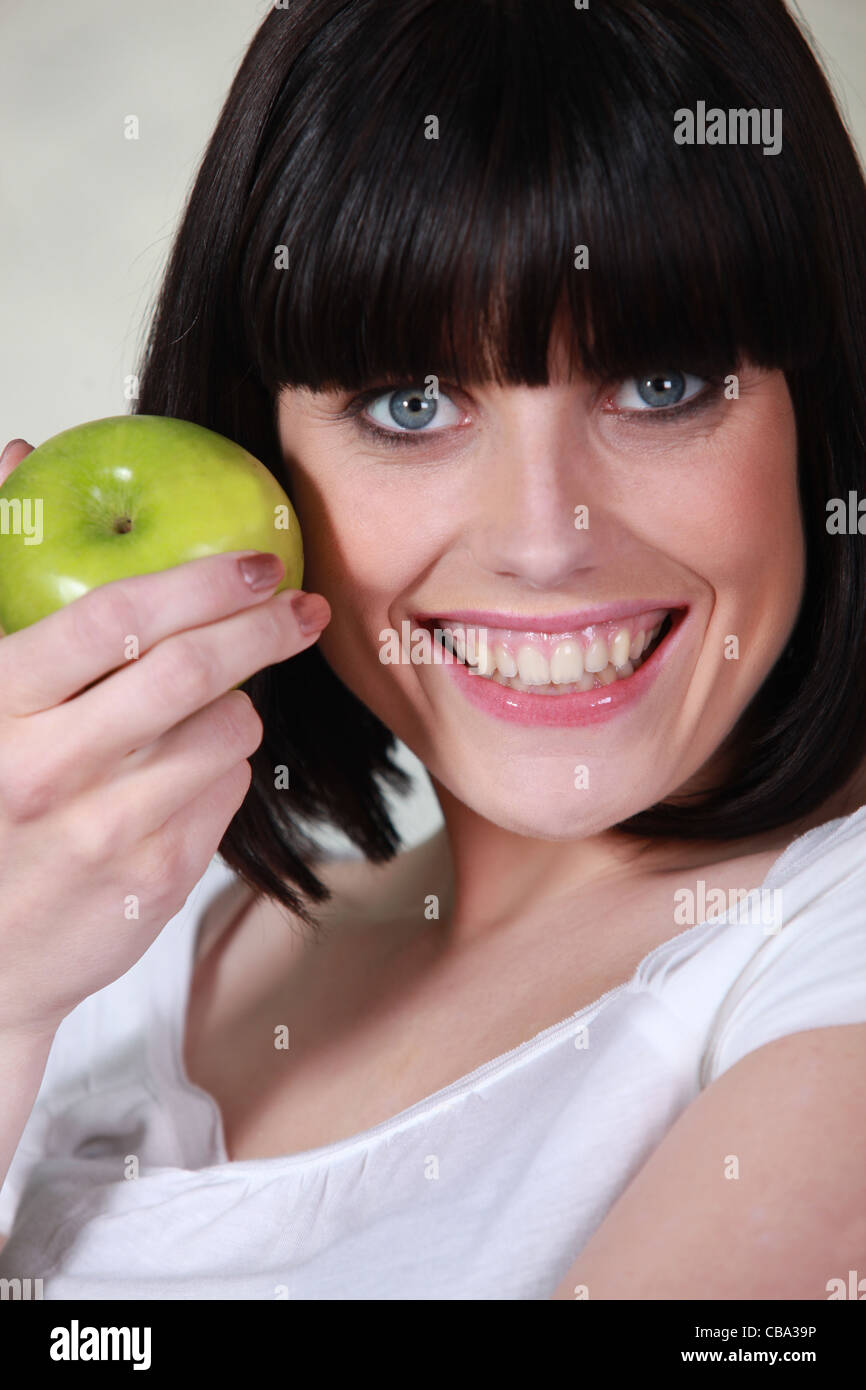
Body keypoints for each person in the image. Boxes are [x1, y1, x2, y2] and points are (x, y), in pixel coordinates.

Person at [0, 0, 864, 1300]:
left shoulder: (827, 952)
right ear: (258, 457)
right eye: (411, 405)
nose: (541, 539)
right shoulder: (118, 939)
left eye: (662, 382)